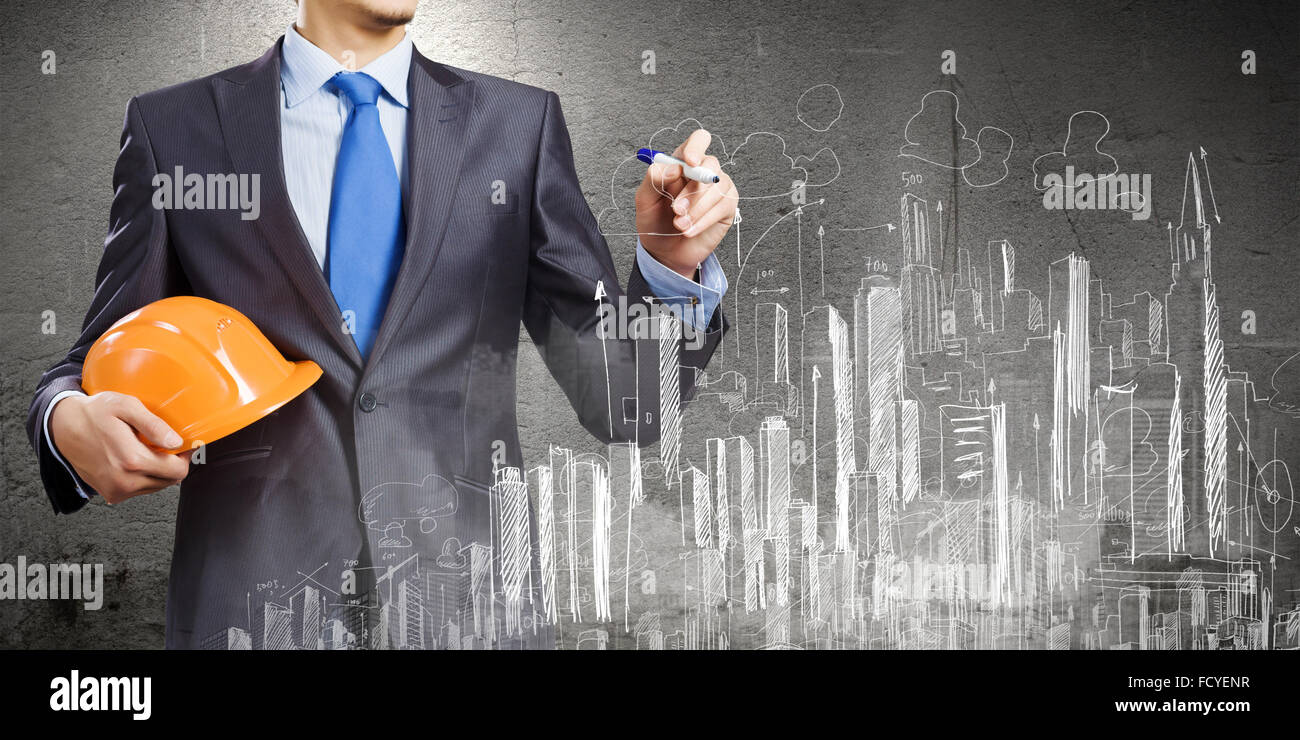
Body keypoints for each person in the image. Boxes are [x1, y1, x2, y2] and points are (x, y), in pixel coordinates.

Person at [26, 0, 736, 649]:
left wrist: (670, 268)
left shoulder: (517, 127)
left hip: (471, 612)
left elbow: (627, 402)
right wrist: (65, 420)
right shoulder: (175, 128)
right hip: (249, 613)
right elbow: (100, 353)